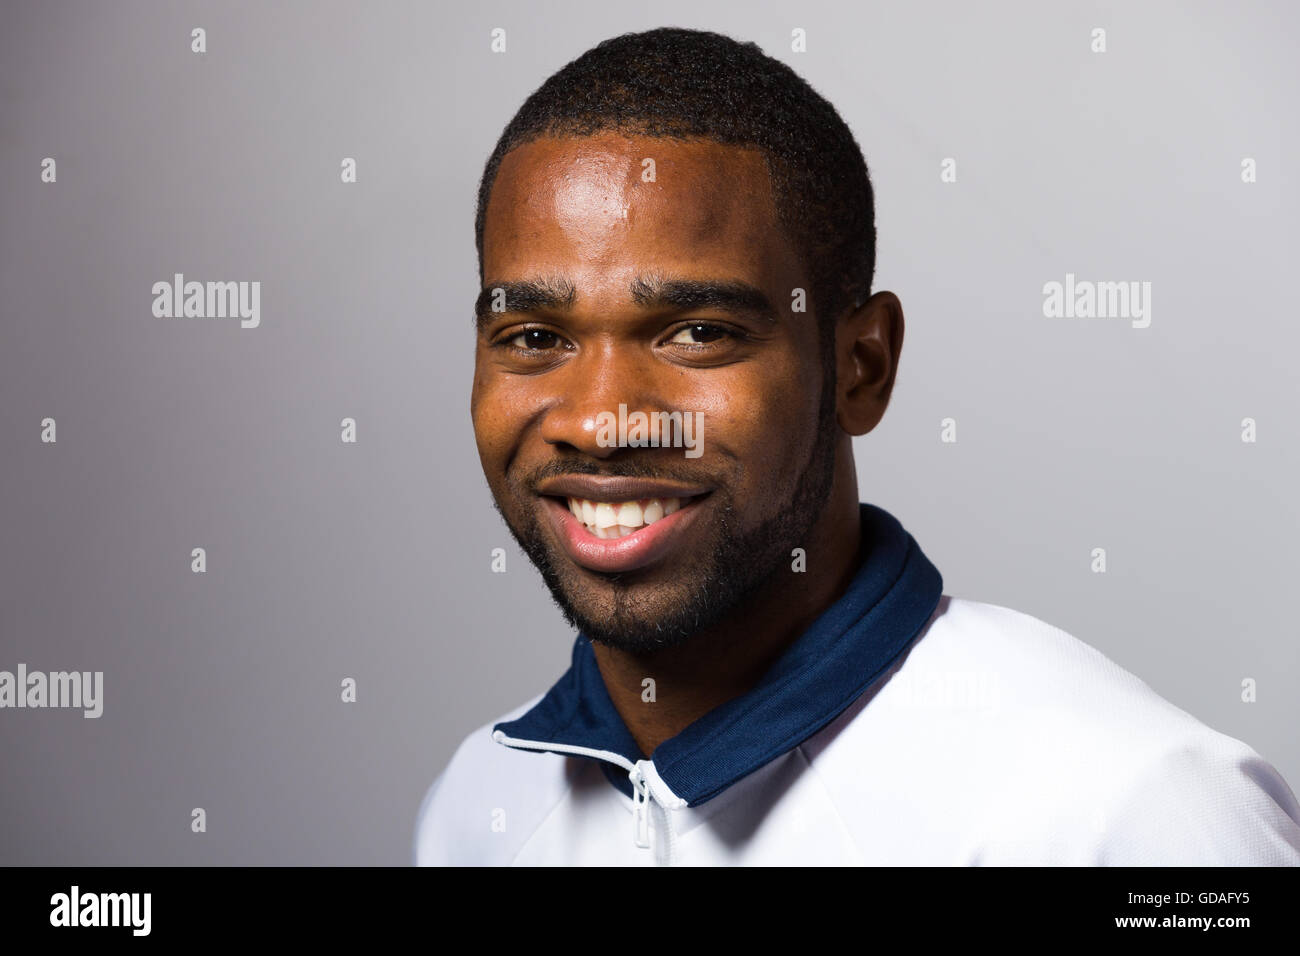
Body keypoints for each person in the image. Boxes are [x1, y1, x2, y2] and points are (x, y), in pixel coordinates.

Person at [414, 27, 1300, 865]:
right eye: (533, 338)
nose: (601, 421)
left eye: (697, 332)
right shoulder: (478, 801)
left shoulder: (1132, 808)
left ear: (861, 366)